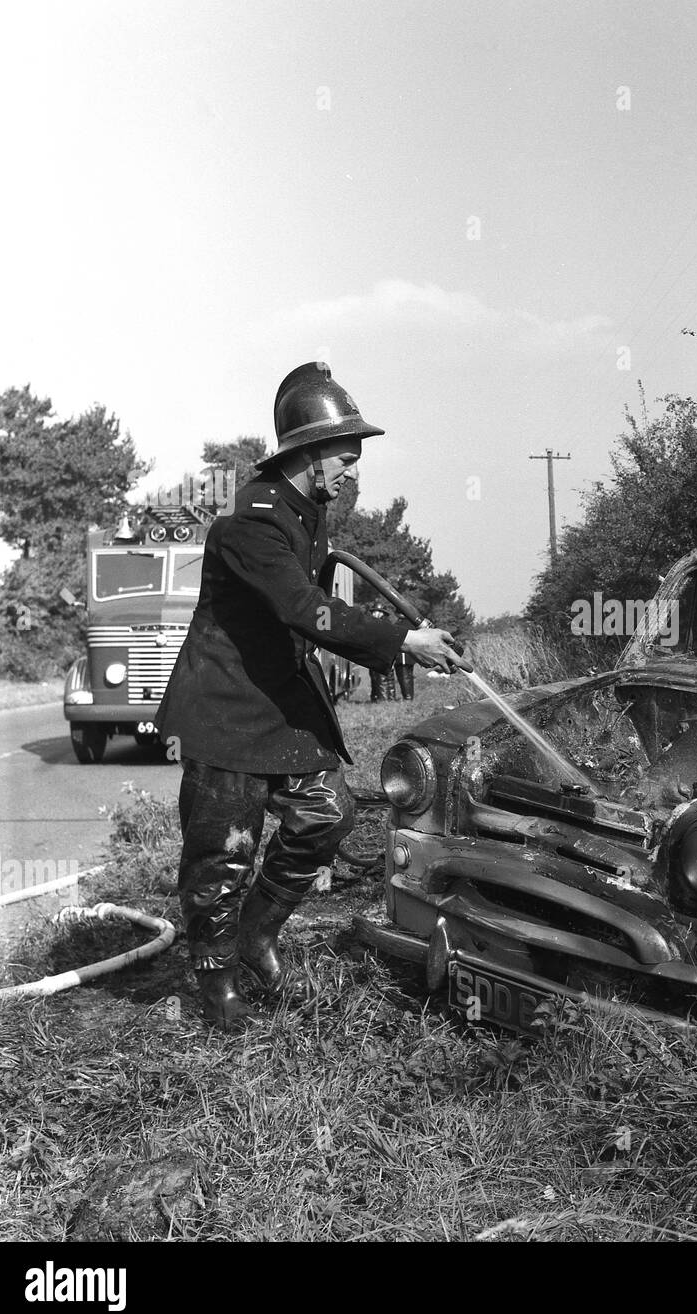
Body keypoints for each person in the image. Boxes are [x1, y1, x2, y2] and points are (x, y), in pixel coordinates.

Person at [156, 362, 469, 1031]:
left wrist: (404, 631)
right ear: (310, 452)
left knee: (327, 814)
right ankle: (215, 984)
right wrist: (404, 642)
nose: (355, 473)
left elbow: (317, 600)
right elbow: (306, 610)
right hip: (225, 709)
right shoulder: (251, 522)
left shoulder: (310, 512)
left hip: (279, 704)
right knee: (223, 853)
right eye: (347, 459)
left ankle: (256, 935)